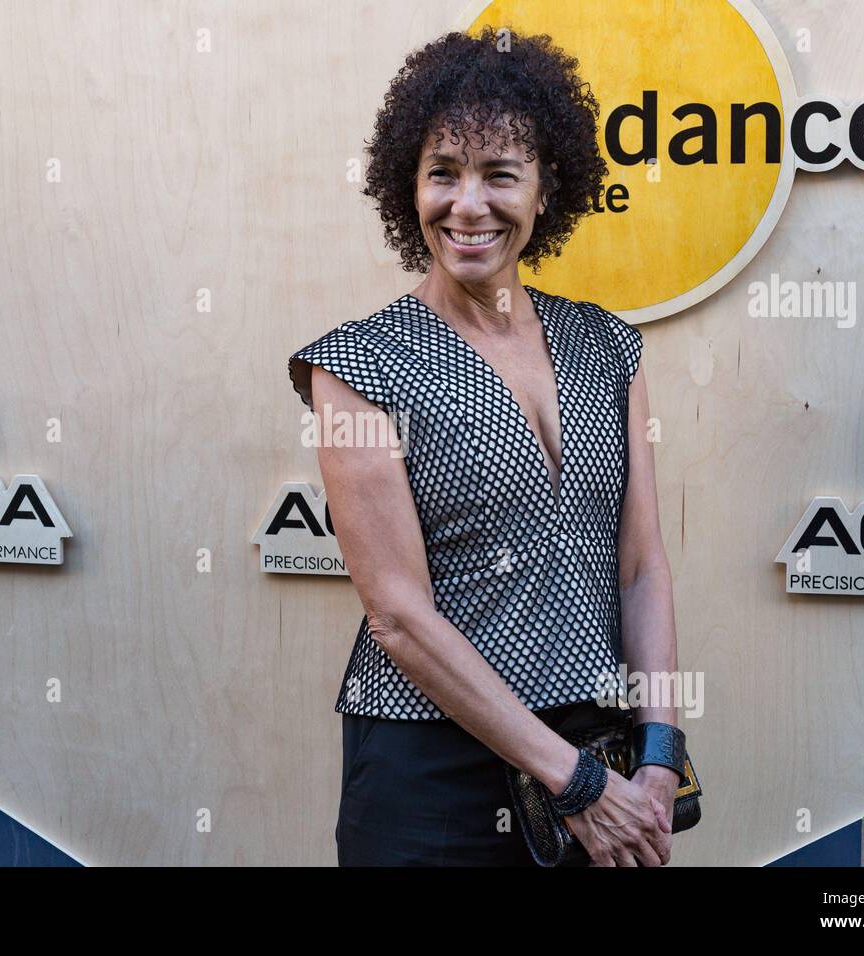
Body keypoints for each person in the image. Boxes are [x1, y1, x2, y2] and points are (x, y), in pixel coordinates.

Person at [287, 27, 682, 866]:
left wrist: (658, 752)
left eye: (500, 173)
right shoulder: (357, 364)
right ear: (410, 189)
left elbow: (642, 567)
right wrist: (574, 785)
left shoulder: (610, 347)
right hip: (432, 777)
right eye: (443, 173)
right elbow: (397, 616)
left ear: (547, 191)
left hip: (600, 757)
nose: (468, 205)